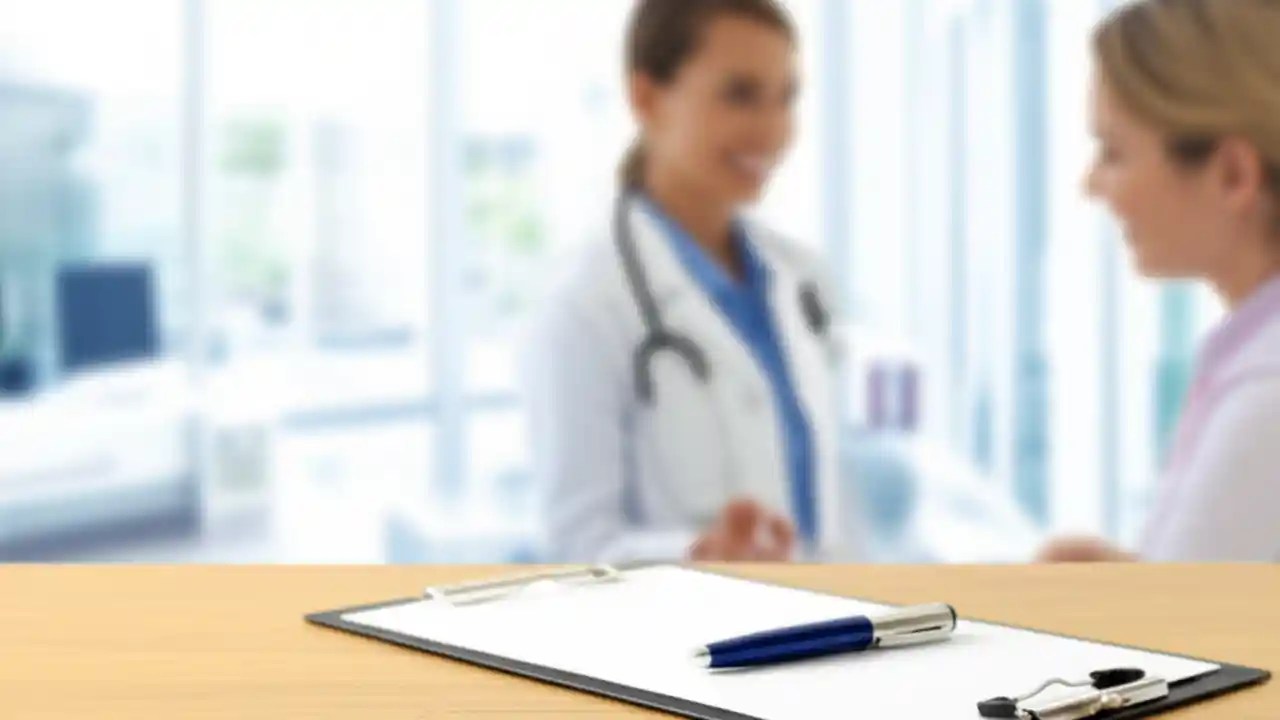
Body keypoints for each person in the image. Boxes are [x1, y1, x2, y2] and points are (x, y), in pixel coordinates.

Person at [525, 0, 855, 563]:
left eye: (786, 97)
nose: (774, 130)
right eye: (740, 95)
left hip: (829, 629)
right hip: (678, 638)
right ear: (648, 98)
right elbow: (576, 545)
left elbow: (828, 509)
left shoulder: (799, 280)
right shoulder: (583, 306)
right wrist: (698, 553)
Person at [1039, 0, 1280, 562]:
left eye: (1113, 153)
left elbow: (1207, 646)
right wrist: (1142, 582)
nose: (1093, 185)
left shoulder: (1266, 393)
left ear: (1233, 175)